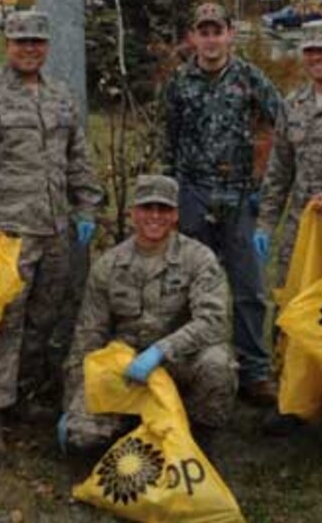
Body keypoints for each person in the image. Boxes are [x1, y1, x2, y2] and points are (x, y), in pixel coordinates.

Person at [0, 9, 104, 462]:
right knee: (4, 323)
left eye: (37, 41)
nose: (30, 48)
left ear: (47, 46)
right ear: (7, 45)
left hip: (55, 229)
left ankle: (25, 395)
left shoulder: (60, 96)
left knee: (44, 317)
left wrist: (86, 205)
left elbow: (78, 155)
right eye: (21, 42)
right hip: (7, 232)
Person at [58, 174, 237, 455]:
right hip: (127, 369)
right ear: (133, 213)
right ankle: (129, 425)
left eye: (163, 209)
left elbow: (214, 322)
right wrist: (72, 402)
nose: (155, 216)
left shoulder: (198, 258)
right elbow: (88, 335)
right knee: (81, 439)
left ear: (175, 215)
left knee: (217, 364)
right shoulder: (109, 265)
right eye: (147, 208)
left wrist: (160, 351)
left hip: (179, 363)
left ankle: (199, 440)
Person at [163, 2, 282, 406]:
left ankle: (254, 371)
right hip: (193, 196)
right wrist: (171, 196)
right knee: (191, 285)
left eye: (217, 31)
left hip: (239, 197)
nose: (210, 39)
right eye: (203, 31)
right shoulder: (180, 82)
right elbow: (170, 139)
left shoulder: (249, 78)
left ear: (230, 34)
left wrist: (263, 175)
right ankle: (194, 364)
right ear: (193, 37)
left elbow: (281, 121)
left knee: (249, 288)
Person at [253, 19, 322, 432]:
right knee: (293, 311)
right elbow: (280, 170)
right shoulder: (292, 105)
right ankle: (293, 400)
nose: (317, 58)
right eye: (310, 51)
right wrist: (265, 222)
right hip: (299, 230)